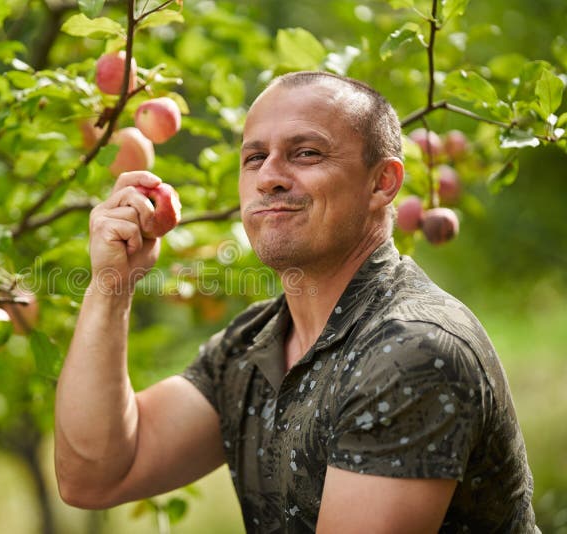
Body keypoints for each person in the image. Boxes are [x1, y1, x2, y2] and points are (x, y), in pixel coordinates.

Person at [54, 71, 538, 533]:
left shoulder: (413, 351)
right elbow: (95, 475)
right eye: (254, 158)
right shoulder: (254, 345)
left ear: (382, 183)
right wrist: (112, 285)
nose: (269, 178)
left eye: (305, 153)